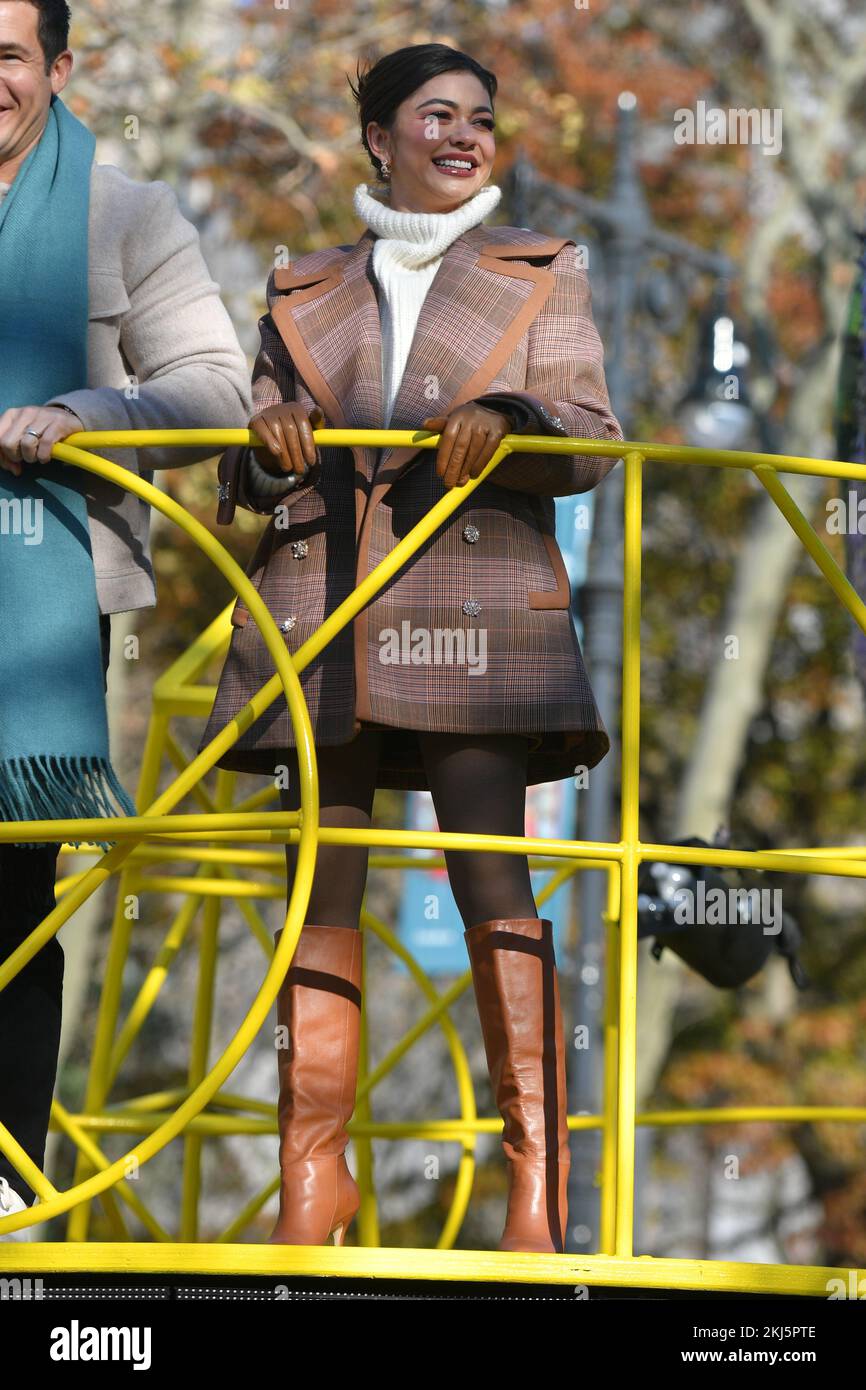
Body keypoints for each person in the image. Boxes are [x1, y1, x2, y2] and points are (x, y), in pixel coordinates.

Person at [201, 42, 623, 1253]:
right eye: (434, 116)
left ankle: (535, 1188)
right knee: (315, 890)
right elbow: (243, 460)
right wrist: (264, 433)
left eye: (479, 119)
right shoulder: (301, 282)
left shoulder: (543, 272)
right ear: (376, 137)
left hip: (476, 610)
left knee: (491, 874)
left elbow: (592, 435)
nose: (463, 136)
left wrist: (510, 416)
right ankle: (311, 1181)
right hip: (318, 611)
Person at [0, 0, 251, 1237]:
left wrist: (91, 413)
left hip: (43, 611)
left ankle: (1, 1177)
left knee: (11, 893)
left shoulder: (126, 211)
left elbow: (215, 388)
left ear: (55, 66)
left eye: (5, 55)